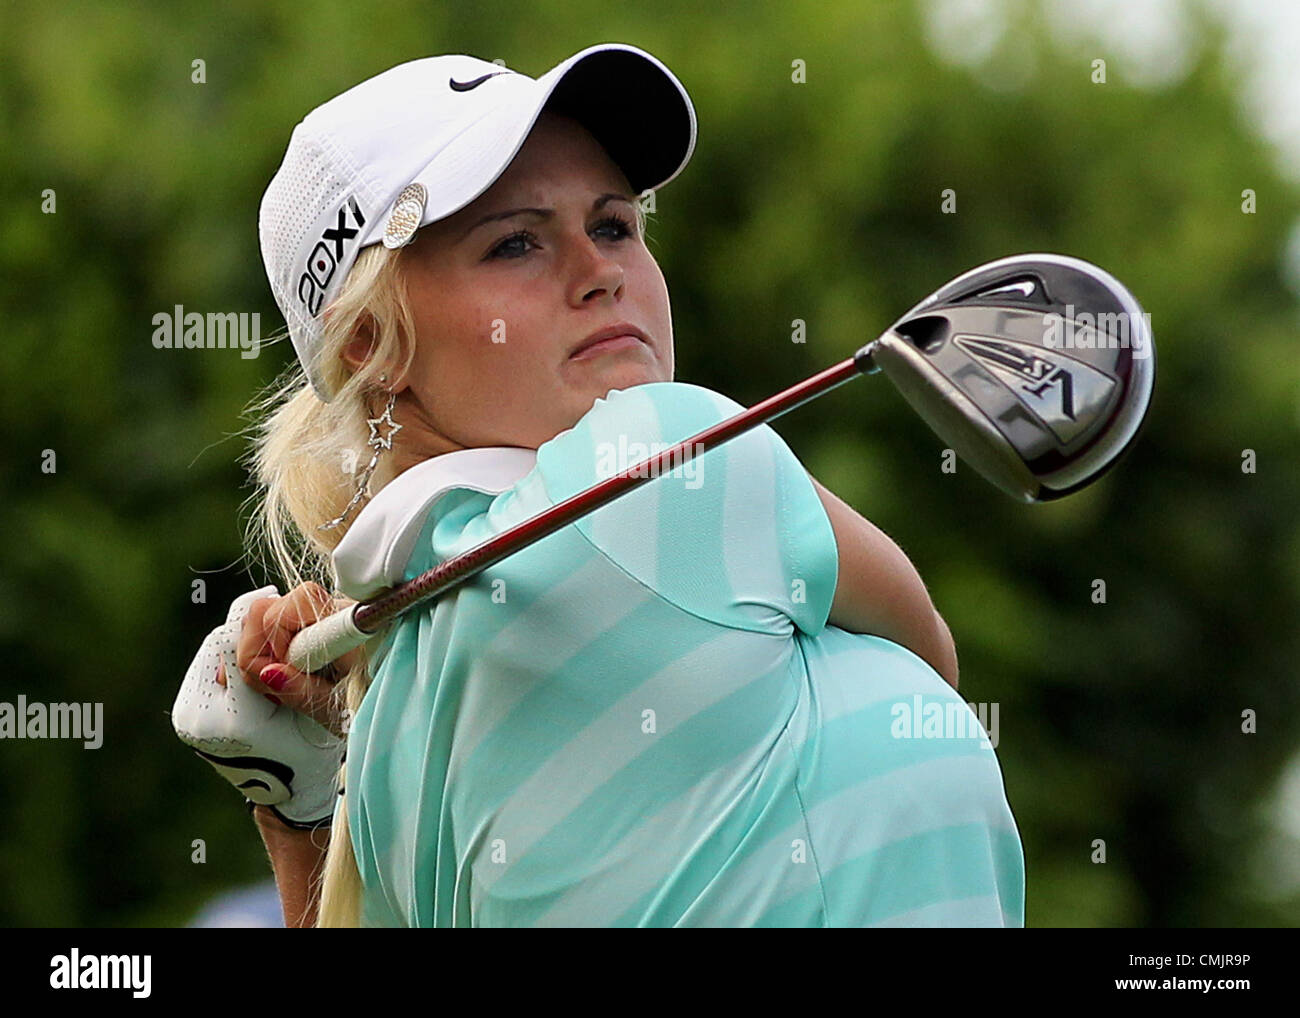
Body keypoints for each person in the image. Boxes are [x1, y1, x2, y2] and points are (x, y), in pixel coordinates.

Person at [172, 43, 1025, 928]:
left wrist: (302, 813)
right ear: (372, 343)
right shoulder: (655, 451)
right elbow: (931, 650)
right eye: (514, 243)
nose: (601, 269)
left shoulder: (387, 710)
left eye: (614, 224)